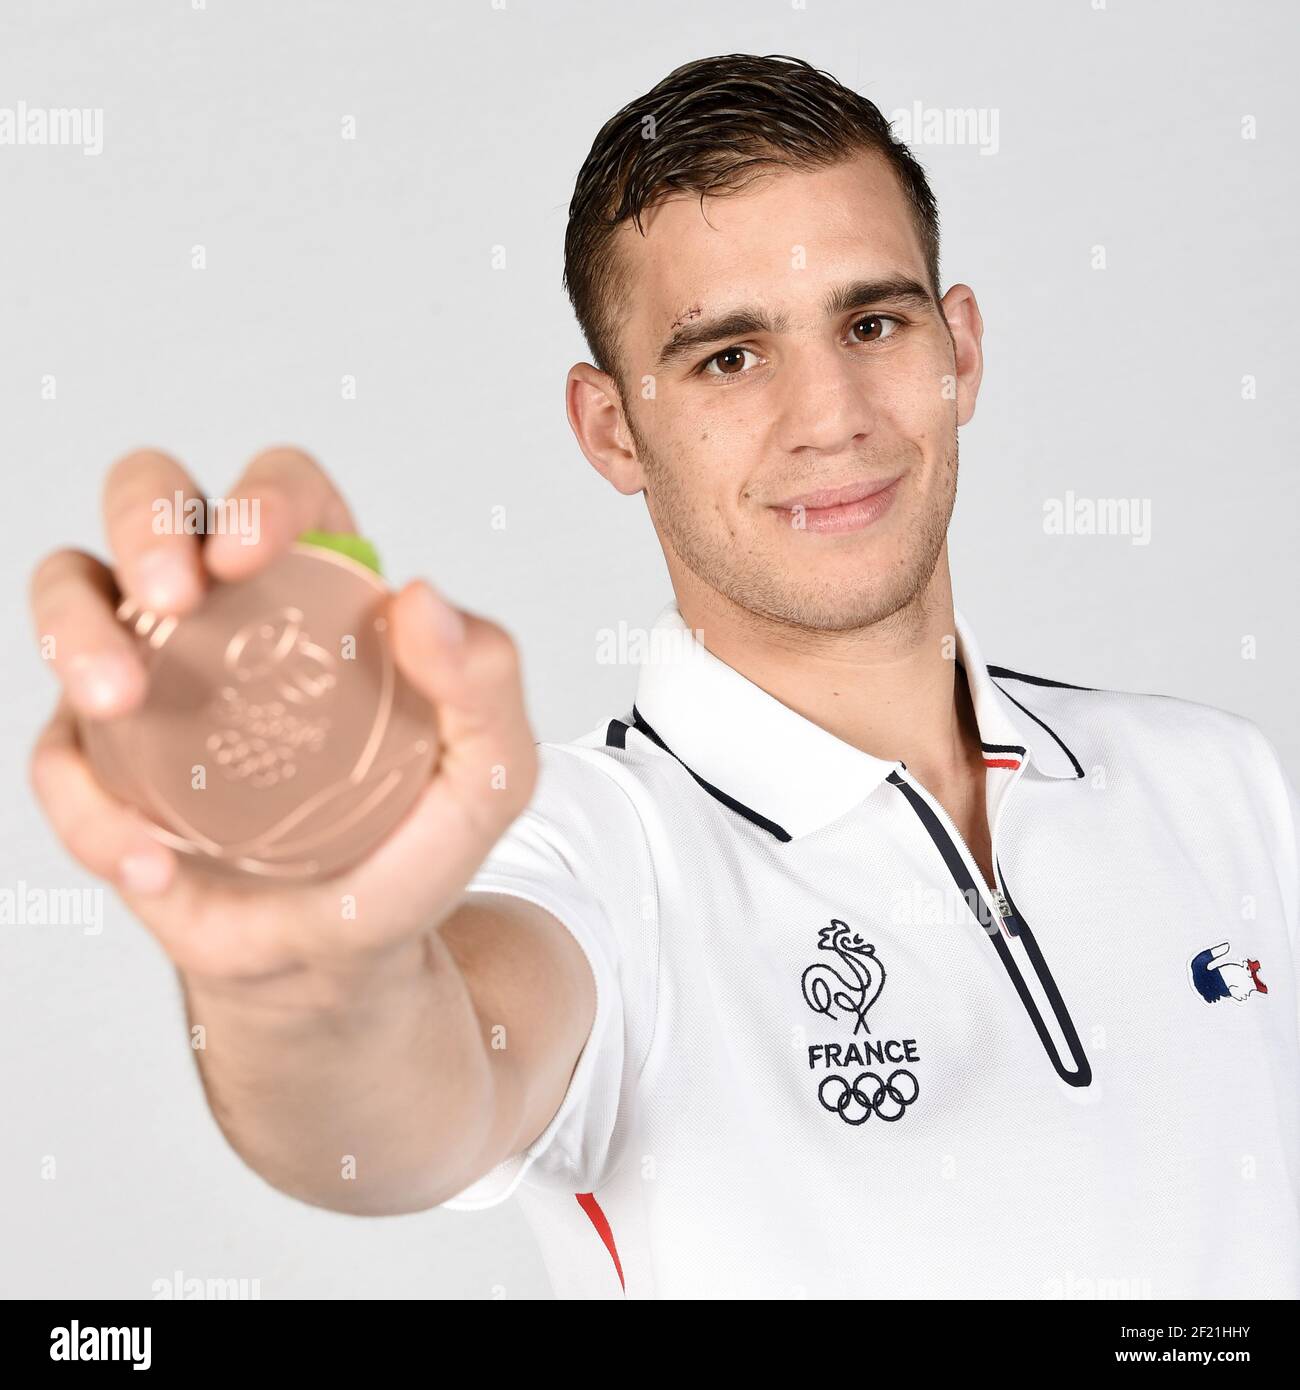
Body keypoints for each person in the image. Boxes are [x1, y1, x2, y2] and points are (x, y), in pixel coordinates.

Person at [27, 54, 1299, 1300]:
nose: (831, 415)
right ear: (609, 429)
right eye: (728, 357)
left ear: (957, 347)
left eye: (872, 322)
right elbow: (408, 1097)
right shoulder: (584, 857)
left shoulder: (1218, 783)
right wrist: (301, 970)